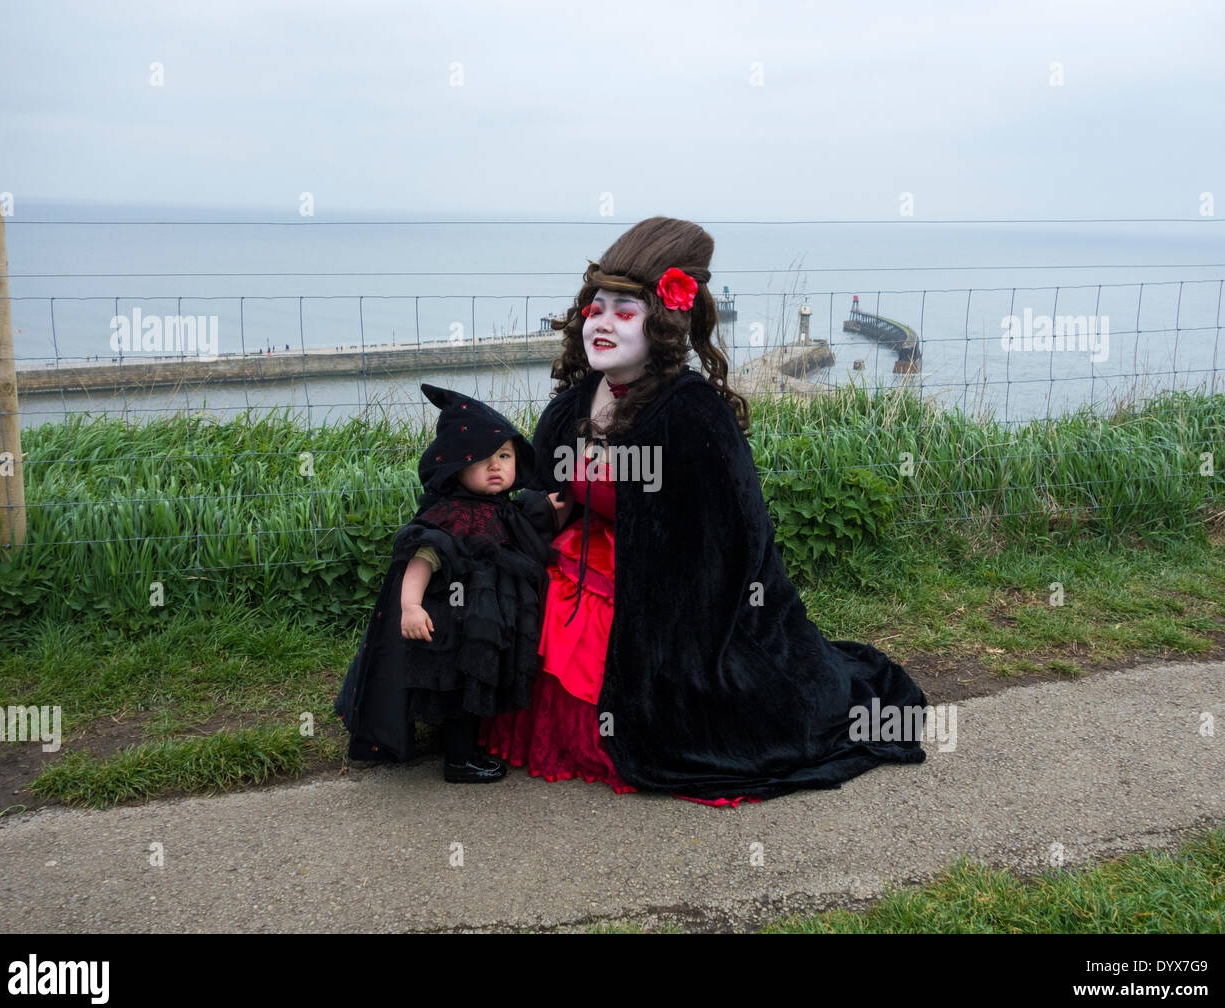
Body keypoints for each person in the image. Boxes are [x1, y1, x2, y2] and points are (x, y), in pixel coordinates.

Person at [480, 217, 929, 804]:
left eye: (625, 310)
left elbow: (728, 538)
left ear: (664, 321)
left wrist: (650, 578)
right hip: (580, 561)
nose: (602, 323)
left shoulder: (692, 413)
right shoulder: (571, 405)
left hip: (670, 587)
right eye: (597, 307)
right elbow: (547, 490)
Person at [334, 383, 559, 782]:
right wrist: (410, 606)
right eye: (483, 459)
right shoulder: (451, 515)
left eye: (505, 456)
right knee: (461, 688)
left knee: (480, 682)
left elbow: (528, 522)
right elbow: (422, 558)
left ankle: (466, 747)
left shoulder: (500, 508)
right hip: (459, 627)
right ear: (456, 465)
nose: (496, 467)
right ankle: (459, 759)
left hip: (491, 624)